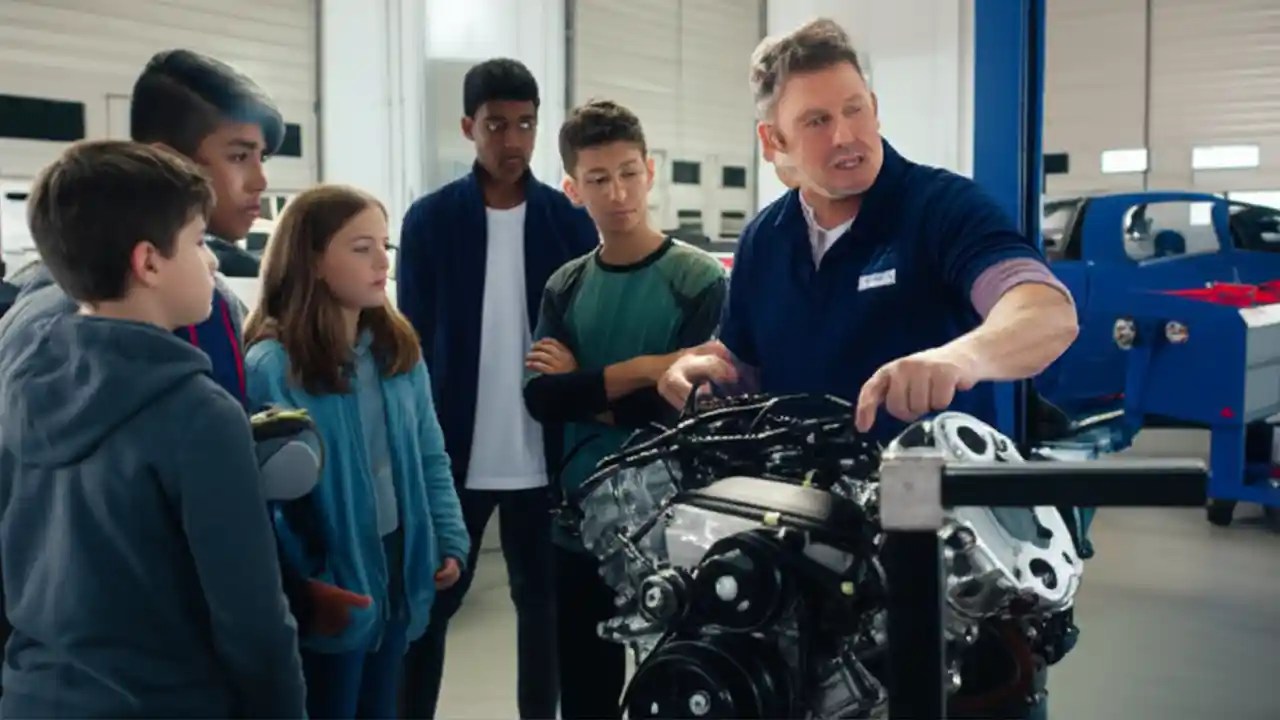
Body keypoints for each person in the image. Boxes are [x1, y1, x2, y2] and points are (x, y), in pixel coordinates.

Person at [657, 19, 1078, 720]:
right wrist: (704, 367)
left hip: (946, 556)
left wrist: (959, 355)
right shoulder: (766, 238)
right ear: (775, 143)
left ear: (876, 109)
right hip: (818, 555)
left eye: (856, 109)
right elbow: (744, 360)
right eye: (817, 120)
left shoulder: (938, 208)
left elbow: (1044, 311)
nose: (847, 135)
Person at [0, 47, 368, 660]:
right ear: (171, 163)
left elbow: (218, 497)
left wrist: (288, 594)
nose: (259, 182)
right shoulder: (52, 327)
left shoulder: (212, 303)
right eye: (239, 156)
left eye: (263, 158)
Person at [0, 140, 306, 717]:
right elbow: (254, 623)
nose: (213, 262)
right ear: (148, 262)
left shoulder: (15, 388)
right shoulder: (199, 416)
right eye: (197, 242)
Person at [396, 58, 598, 719]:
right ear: (468, 127)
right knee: (430, 607)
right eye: (496, 125)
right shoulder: (429, 222)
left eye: (525, 124)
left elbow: (586, 332)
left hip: (545, 456)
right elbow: (412, 344)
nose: (512, 141)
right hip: (455, 453)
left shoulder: (568, 222)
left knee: (542, 611)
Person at [522, 99, 728, 719]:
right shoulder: (566, 284)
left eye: (629, 172)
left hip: (676, 527)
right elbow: (541, 398)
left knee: (677, 692)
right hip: (578, 526)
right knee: (585, 693)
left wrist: (586, 389)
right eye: (598, 178)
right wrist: (648, 368)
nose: (618, 191)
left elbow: (686, 415)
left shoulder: (698, 280)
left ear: (650, 171)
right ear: (572, 189)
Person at [244, 184, 471, 719]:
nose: (381, 263)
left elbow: (429, 454)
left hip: (396, 558)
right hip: (330, 576)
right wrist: (308, 576)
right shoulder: (274, 366)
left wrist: (448, 535)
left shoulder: (397, 350)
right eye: (361, 247)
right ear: (314, 260)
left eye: (384, 246)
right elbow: (267, 504)